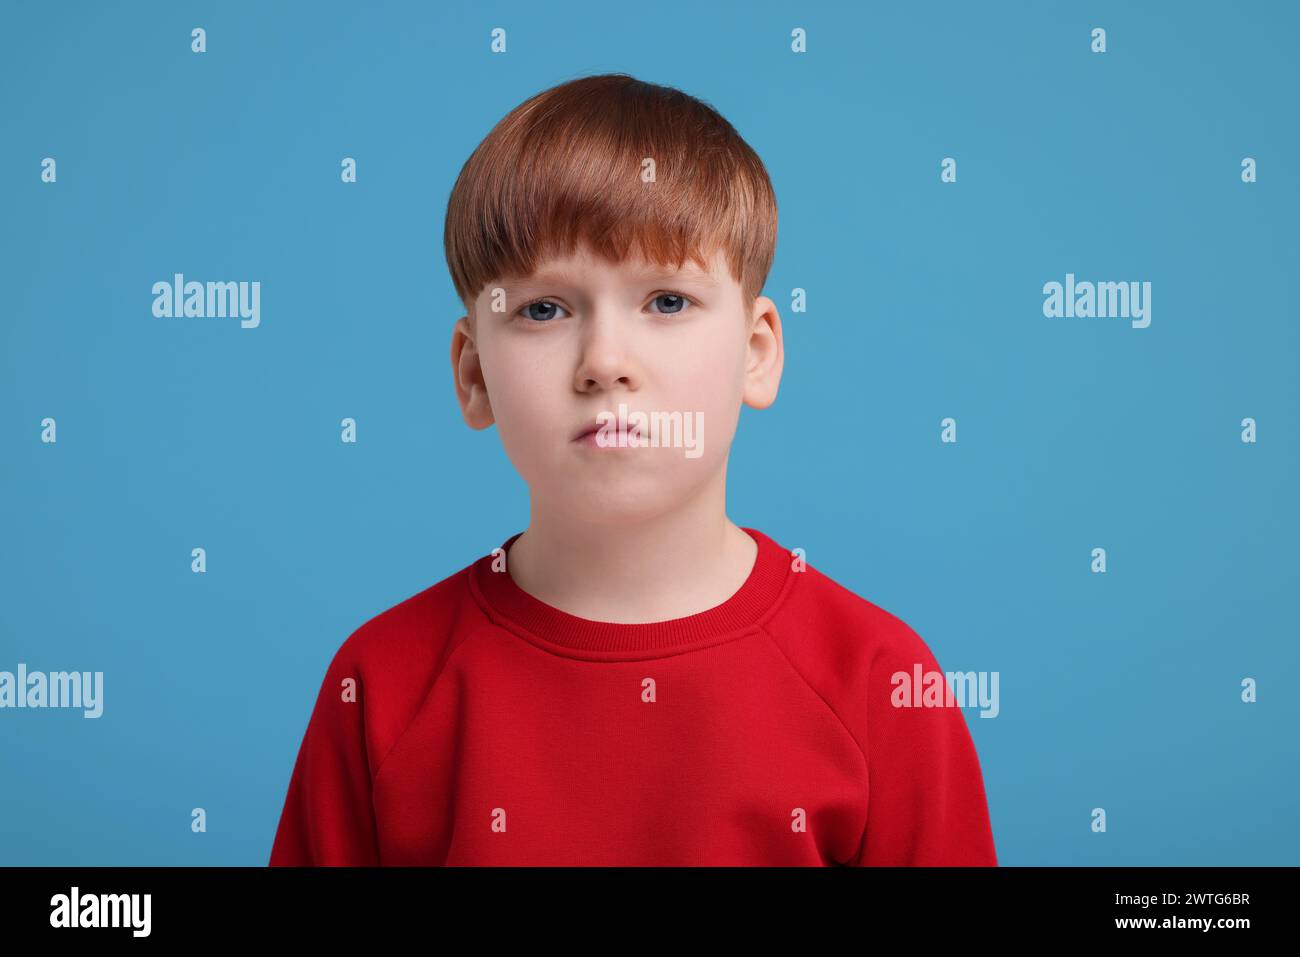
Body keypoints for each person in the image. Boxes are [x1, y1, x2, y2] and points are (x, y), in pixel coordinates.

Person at [269, 73, 997, 866]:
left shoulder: (883, 681)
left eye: (667, 302)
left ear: (756, 353)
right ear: (473, 374)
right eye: (544, 309)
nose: (605, 361)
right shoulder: (381, 686)